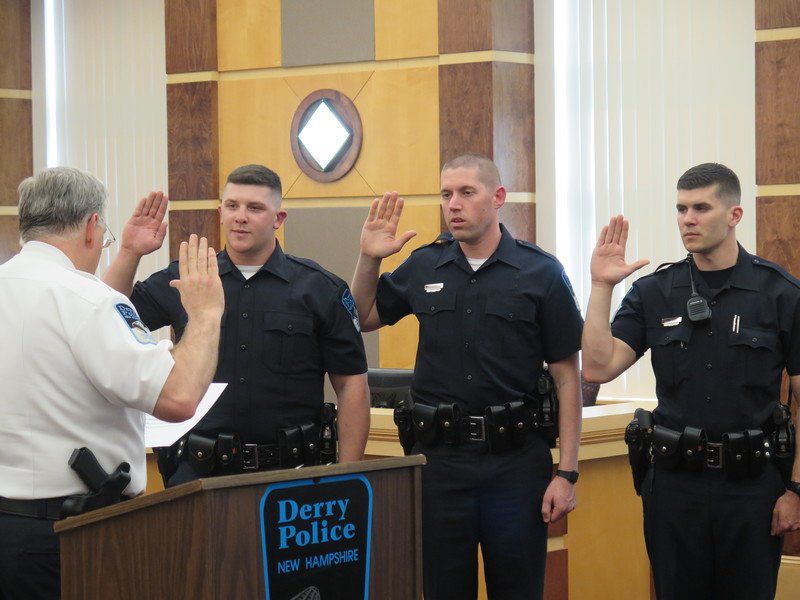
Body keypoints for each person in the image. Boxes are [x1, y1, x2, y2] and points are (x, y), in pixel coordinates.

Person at [350, 154, 583, 600]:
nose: (452, 204)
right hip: (440, 463)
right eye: (445, 194)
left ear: (498, 198)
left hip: (515, 464)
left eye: (465, 193)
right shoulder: (425, 265)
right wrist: (368, 259)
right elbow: (362, 316)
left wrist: (567, 473)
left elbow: (567, 378)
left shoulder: (541, 272)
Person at [0, 167, 224, 599]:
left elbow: (77, 339)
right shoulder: (87, 301)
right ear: (91, 226)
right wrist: (206, 312)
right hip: (69, 535)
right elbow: (178, 396)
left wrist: (128, 257)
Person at [582, 162, 800, 599]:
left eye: (701, 208)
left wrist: (795, 489)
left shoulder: (779, 293)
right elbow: (597, 367)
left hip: (752, 485)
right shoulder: (654, 291)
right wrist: (601, 286)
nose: (688, 219)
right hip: (674, 484)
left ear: (734, 215)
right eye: (681, 209)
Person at [103, 164, 369, 486]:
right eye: (232, 206)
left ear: (278, 219)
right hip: (197, 474)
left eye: (255, 208)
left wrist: (347, 476)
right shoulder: (189, 277)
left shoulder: (320, 289)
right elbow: (108, 319)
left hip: (291, 474)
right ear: (221, 213)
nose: (240, 216)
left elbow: (351, 384)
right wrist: (130, 253)